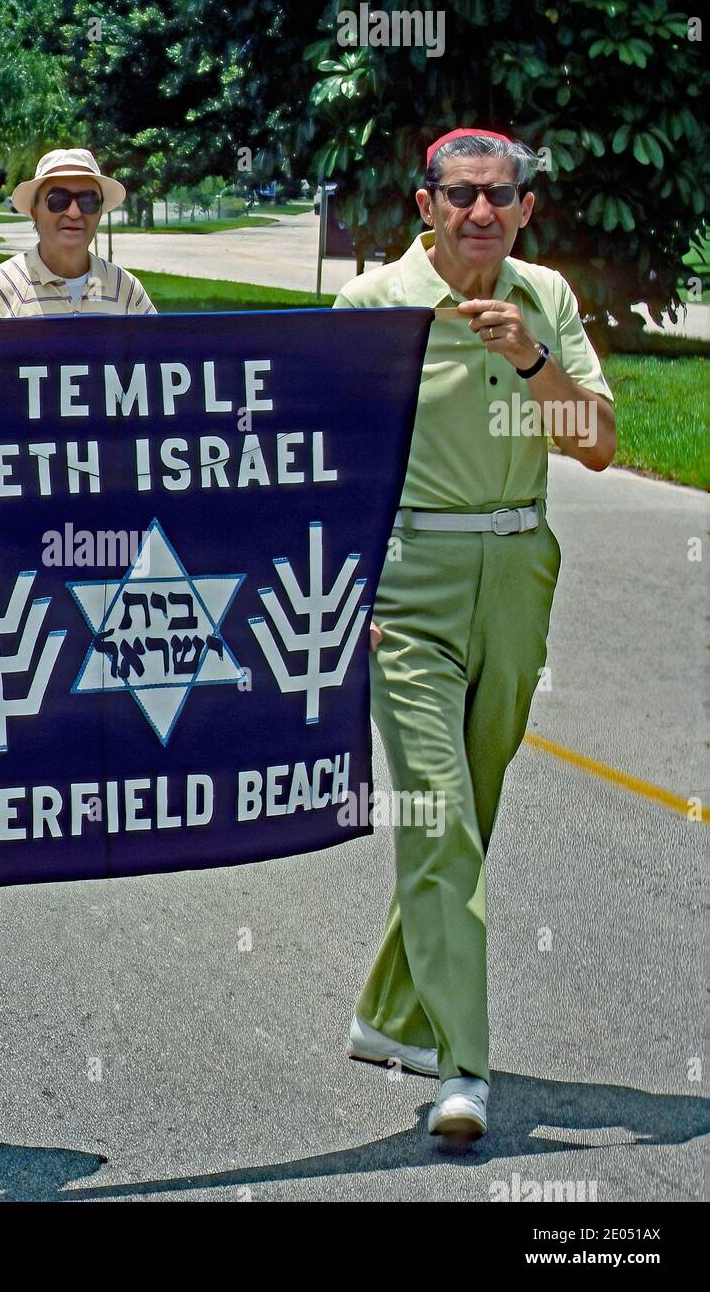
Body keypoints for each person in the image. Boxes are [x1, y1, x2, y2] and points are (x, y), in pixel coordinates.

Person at [336, 128, 616, 1140]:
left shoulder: (547, 297)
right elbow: (321, 457)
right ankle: (464, 1067)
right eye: (461, 196)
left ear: (527, 208)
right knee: (439, 813)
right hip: (408, 580)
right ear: (425, 205)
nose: (481, 214)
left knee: (477, 802)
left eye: (501, 196)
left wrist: (529, 356)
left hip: (517, 569)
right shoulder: (371, 308)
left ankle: (388, 1013)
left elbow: (596, 443)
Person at [0, 148, 155, 318]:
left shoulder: (127, 289)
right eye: (58, 200)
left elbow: (160, 357)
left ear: (100, 212)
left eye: (88, 201)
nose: (74, 212)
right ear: (34, 212)